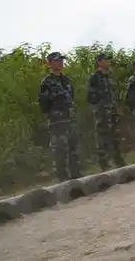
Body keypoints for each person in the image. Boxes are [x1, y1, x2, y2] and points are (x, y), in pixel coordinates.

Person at [39, 51, 82, 182]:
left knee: (73, 149)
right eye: (57, 61)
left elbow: (71, 97)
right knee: (60, 152)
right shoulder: (46, 83)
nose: (61, 63)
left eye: (61, 60)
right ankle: (62, 180)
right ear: (50, 63)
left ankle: (76, 176)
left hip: (70, 119)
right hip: (57, 122)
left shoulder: (66, 80)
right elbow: (44, 106)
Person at [87, 52, 126, 171]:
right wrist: (101, 105)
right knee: (102, 137)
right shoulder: (95, 77)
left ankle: (118, 160)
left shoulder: (108, 77)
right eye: (106, 60)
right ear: (99, 62)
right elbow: (90, 96)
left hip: (112, 111)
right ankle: (104, 164)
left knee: (115, 136)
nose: (109, 62)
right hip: (102, 112)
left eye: (109, 60)